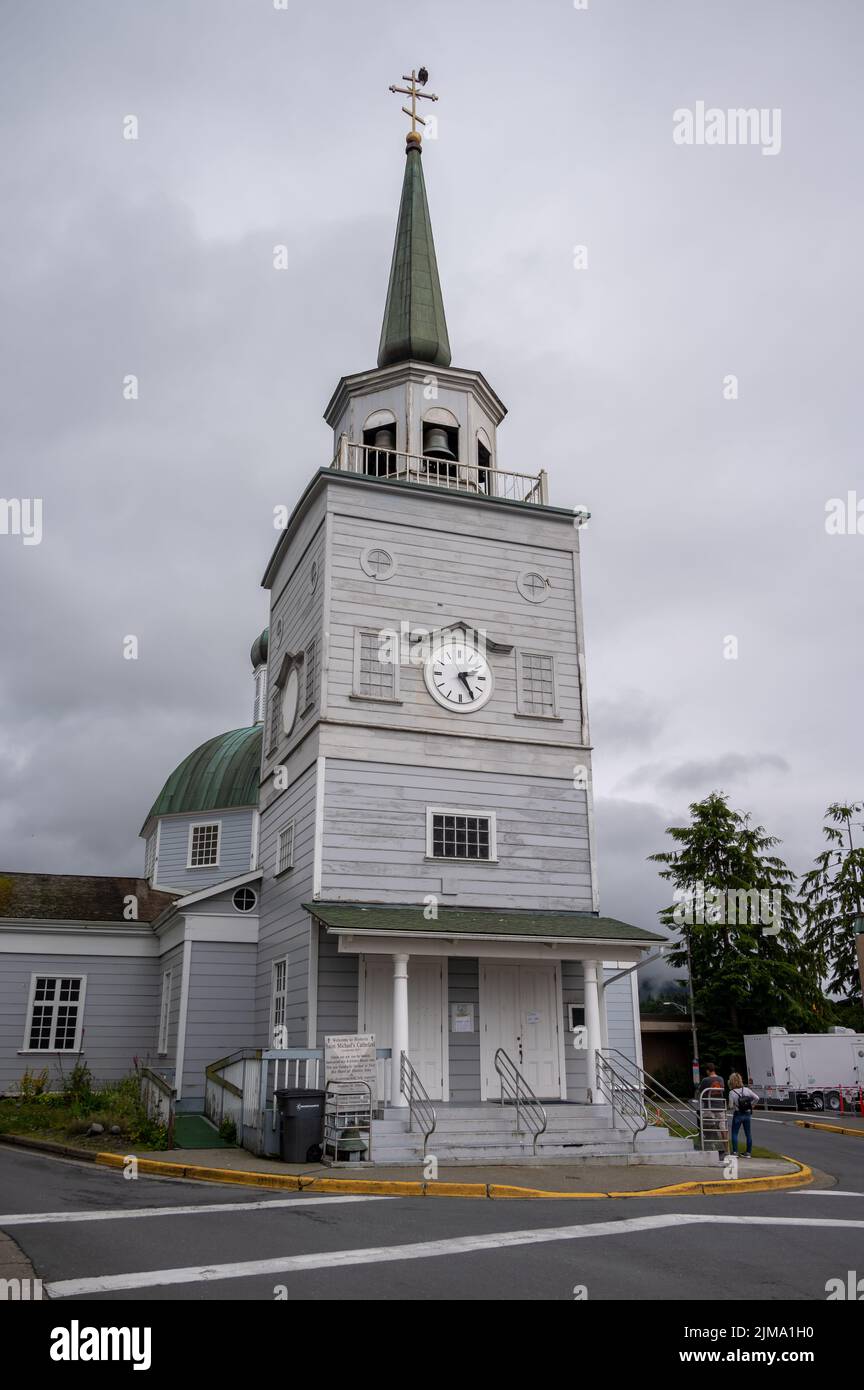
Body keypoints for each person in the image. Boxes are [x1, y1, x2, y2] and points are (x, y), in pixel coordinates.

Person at [728, 1071, 759, 1157]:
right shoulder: (746, 1090)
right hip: (747, 1113)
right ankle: (748, 1153)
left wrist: (733, 1105)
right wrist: (752, 1105)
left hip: (738, 1114)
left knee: (734, 1133)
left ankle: (735, 1152)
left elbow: (730, 1106)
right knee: (748, 1133)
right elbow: (757, 1098)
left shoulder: (732, 1092)